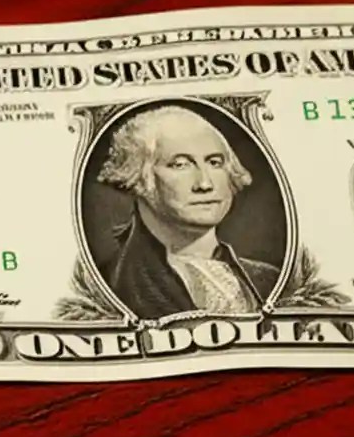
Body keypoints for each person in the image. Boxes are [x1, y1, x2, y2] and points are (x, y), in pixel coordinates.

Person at [94, 105, 280, 320]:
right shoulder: (109, 286)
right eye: (180, 164)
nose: (205, 184)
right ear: (138, 177)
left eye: (215, 162)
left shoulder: (268, 280)